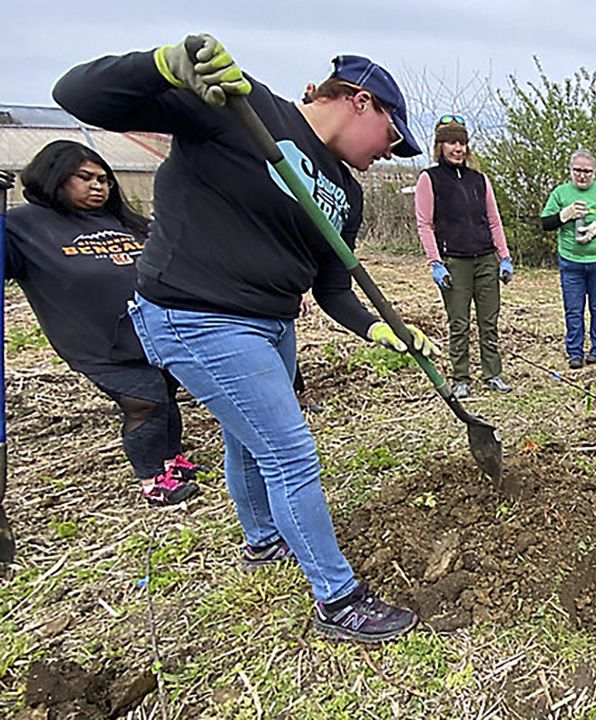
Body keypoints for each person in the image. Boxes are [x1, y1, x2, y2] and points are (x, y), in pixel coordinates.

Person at [54, 34, 433, 643]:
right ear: (362, 102)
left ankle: (262, 538)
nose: (389, 153)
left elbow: (333, 286)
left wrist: (377, 325)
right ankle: (339, 601)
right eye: (393, 137)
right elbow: (76, 94)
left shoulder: (348, 194)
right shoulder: (244, 107)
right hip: (196, 313)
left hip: (272, 322)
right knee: (289, 451)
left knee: (249, 436)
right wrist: (162, 66)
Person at [5, 140, 202, 507]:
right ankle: (152, 481)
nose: (99, 186)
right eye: (85, 178)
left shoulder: (121, 221)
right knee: (144, 403)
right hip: (99, 343)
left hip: (152, 331)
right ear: (55, 175)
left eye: (104, 179)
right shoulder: (23, 227)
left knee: (164, 394)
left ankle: (169, 459)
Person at [415, 115, 514, 398]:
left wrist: (503, 257)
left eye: (462, 143)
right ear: (440, 146)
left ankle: (492, 374)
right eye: (451, 142)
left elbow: (493, 220)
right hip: (454, 262)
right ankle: (461, 377)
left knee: (489, 321)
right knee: (458, 322)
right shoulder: (429, 178)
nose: (457, 148)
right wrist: (435, 262)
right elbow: (425, 223)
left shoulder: (479, 180)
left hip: (485, 259)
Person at [541, 149, 596, 368]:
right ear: (570, 170)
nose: (582, 175)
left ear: (594, 172)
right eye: (577, 170)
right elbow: (545, 223)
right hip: (571, 261)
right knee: (573, 308)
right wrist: (564, 215)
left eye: (587, 171)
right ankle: (575, 353)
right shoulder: (560, 193)